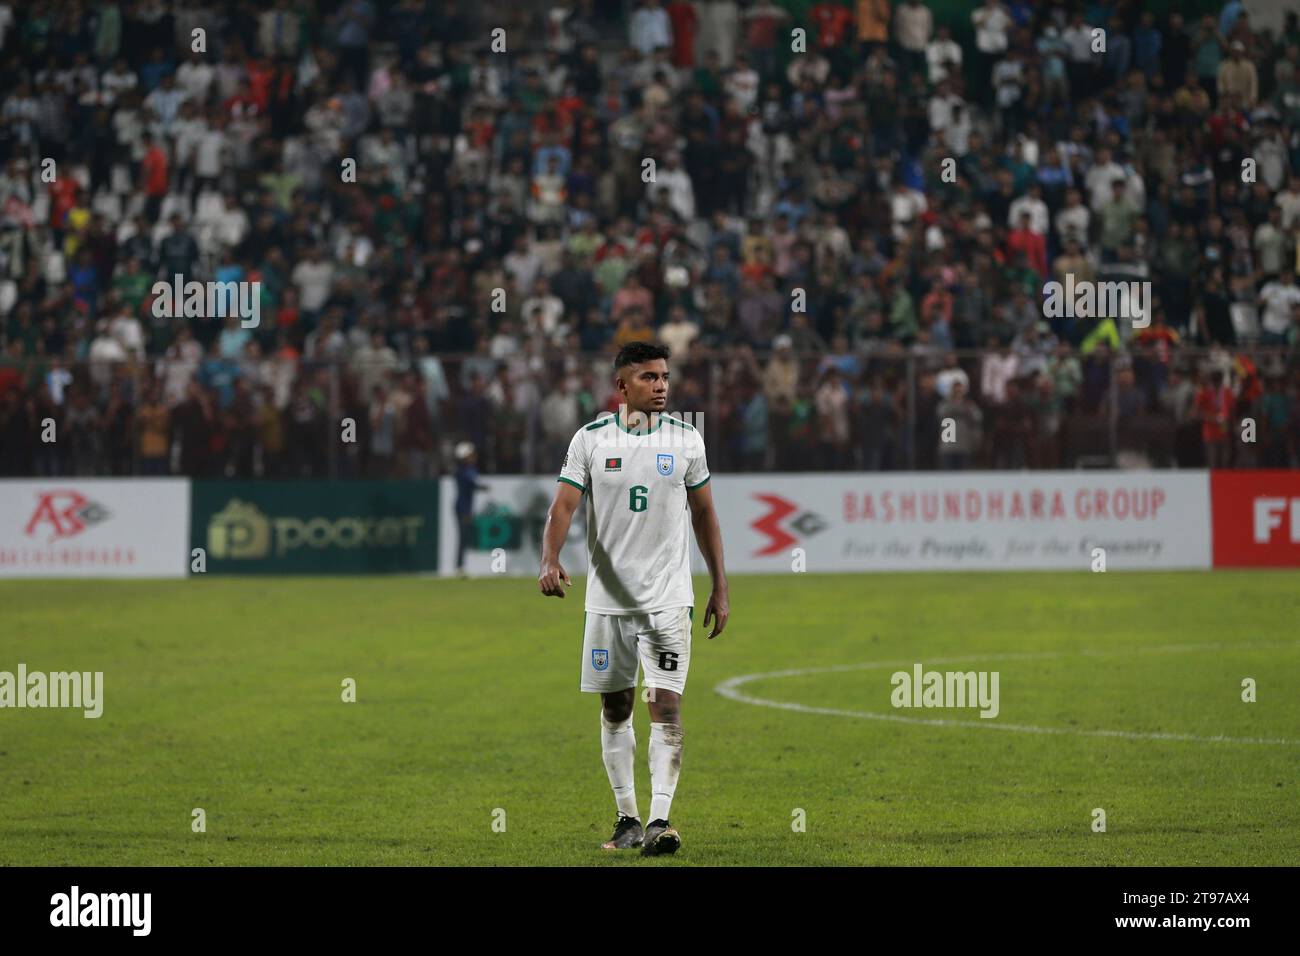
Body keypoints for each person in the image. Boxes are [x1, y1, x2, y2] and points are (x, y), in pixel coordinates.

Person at [538, 341, 729, 856]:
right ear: (621, 387)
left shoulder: (688, 440)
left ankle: (660, 822)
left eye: (665, 376)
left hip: (668, 600)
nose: (662, 385)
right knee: (617, 706)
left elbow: (705, 514)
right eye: (649, 377)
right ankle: (627, 817)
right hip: (607, 601)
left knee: (665, 705)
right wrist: (550, 559)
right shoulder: (591, 440)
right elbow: (562, 506)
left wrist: (720, 585)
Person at [453, 441, 488, 577]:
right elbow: (472, 483)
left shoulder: (466, 470)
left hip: (464, 507)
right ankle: (459, 567)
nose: (473, 457)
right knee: (463, 537)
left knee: (465, 537)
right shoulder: (463, 471)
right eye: (470, 455)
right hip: (463, 507)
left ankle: (461, 566)